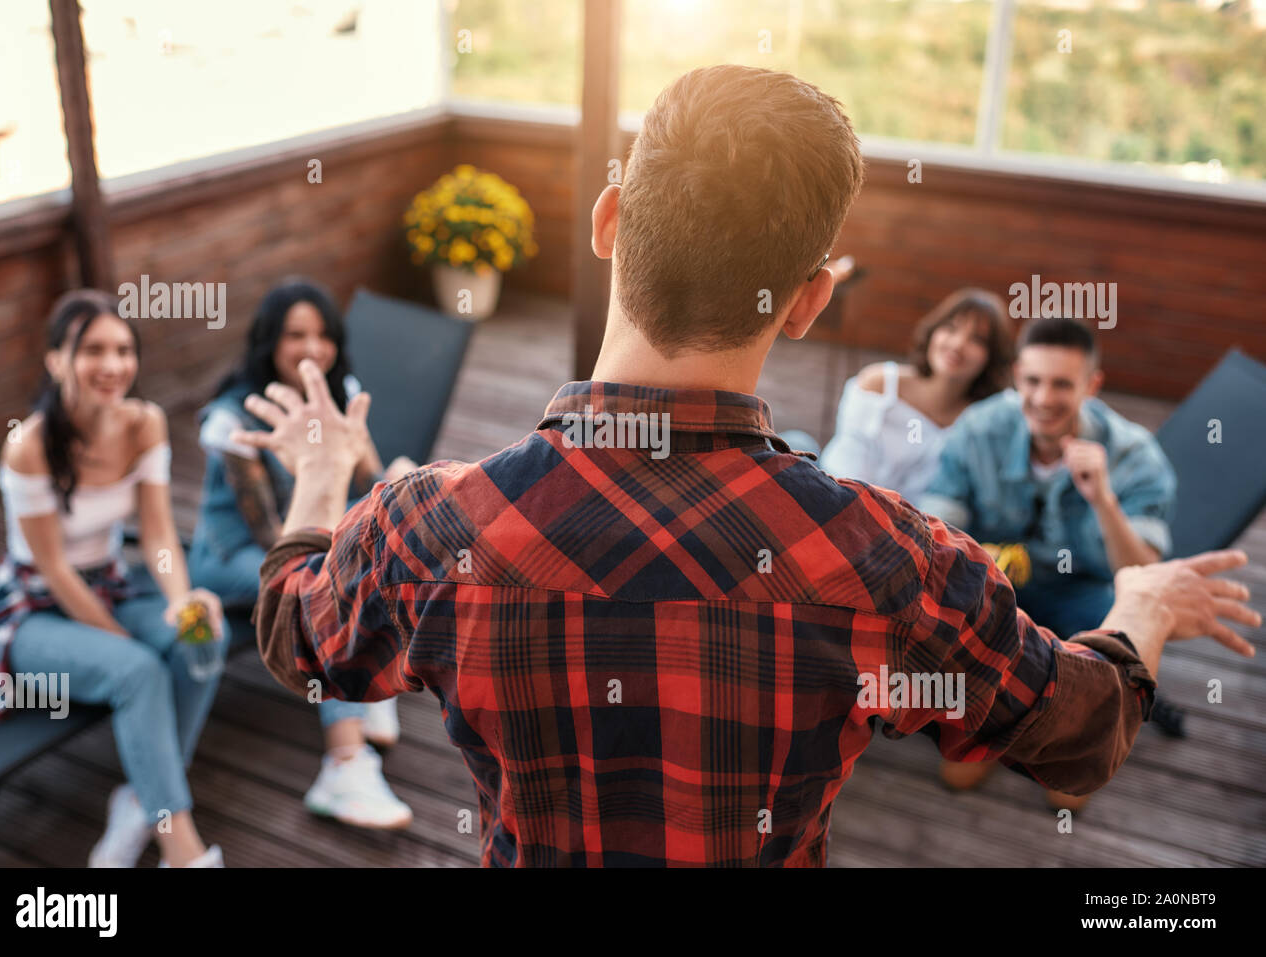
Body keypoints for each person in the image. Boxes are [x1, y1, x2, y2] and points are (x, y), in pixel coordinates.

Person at [241, 66, 1257, 866]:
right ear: (810, 301)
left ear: (606, 225)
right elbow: (1078, 732)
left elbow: (300, 637)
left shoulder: (429, 527)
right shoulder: (887, 561)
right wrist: (1144, 607)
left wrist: (325, 480)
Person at [0, 290, 228, 868]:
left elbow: (158, 534)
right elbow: (54, 568)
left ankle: (143, 796)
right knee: (138, 670)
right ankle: (180, 848)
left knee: (202, 635)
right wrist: (121, 639)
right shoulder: (28, 446)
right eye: (93, 350)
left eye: (123, 349)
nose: (113, 365)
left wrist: (182, 601)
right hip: (33, 611)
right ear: (57, 360)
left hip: (111, 583)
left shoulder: (145, 422)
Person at [918, 316, 1180, 807]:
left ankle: (1075, 742)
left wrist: (1103, 499)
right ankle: (988, 729)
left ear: (1092, 385)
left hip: (1088, 593)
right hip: (999, 584)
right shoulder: (978, 431)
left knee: (1067, 793)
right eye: (1033, 380)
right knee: (958, 775)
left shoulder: (1135, 454)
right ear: (1017, 374)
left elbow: (1144, 574)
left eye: (1062, 384)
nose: (1043, 398)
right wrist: (974, 553)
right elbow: (939, 523)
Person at [188, 278, 414, 829]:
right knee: (324, 590)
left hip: (311, 537)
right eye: (295, 336)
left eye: (323, 335)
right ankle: (343, 763)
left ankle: (368, 672)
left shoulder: (339, 392)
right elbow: (273, 541)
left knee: (387, 514)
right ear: (269, 342)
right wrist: (345, 558)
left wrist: (398, 482)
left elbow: (367, 478)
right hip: (231, 556)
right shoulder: (232, 421)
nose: (313, 349)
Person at [780, 288, 1014, 505]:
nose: (958, 344)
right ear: (934, 331)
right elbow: (846, 468)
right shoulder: (880, 383)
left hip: (906, 531)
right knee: (796, 445)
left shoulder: (981, 419)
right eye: (951, 328)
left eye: (977, 339)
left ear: (991, 356)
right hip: (835, 497)